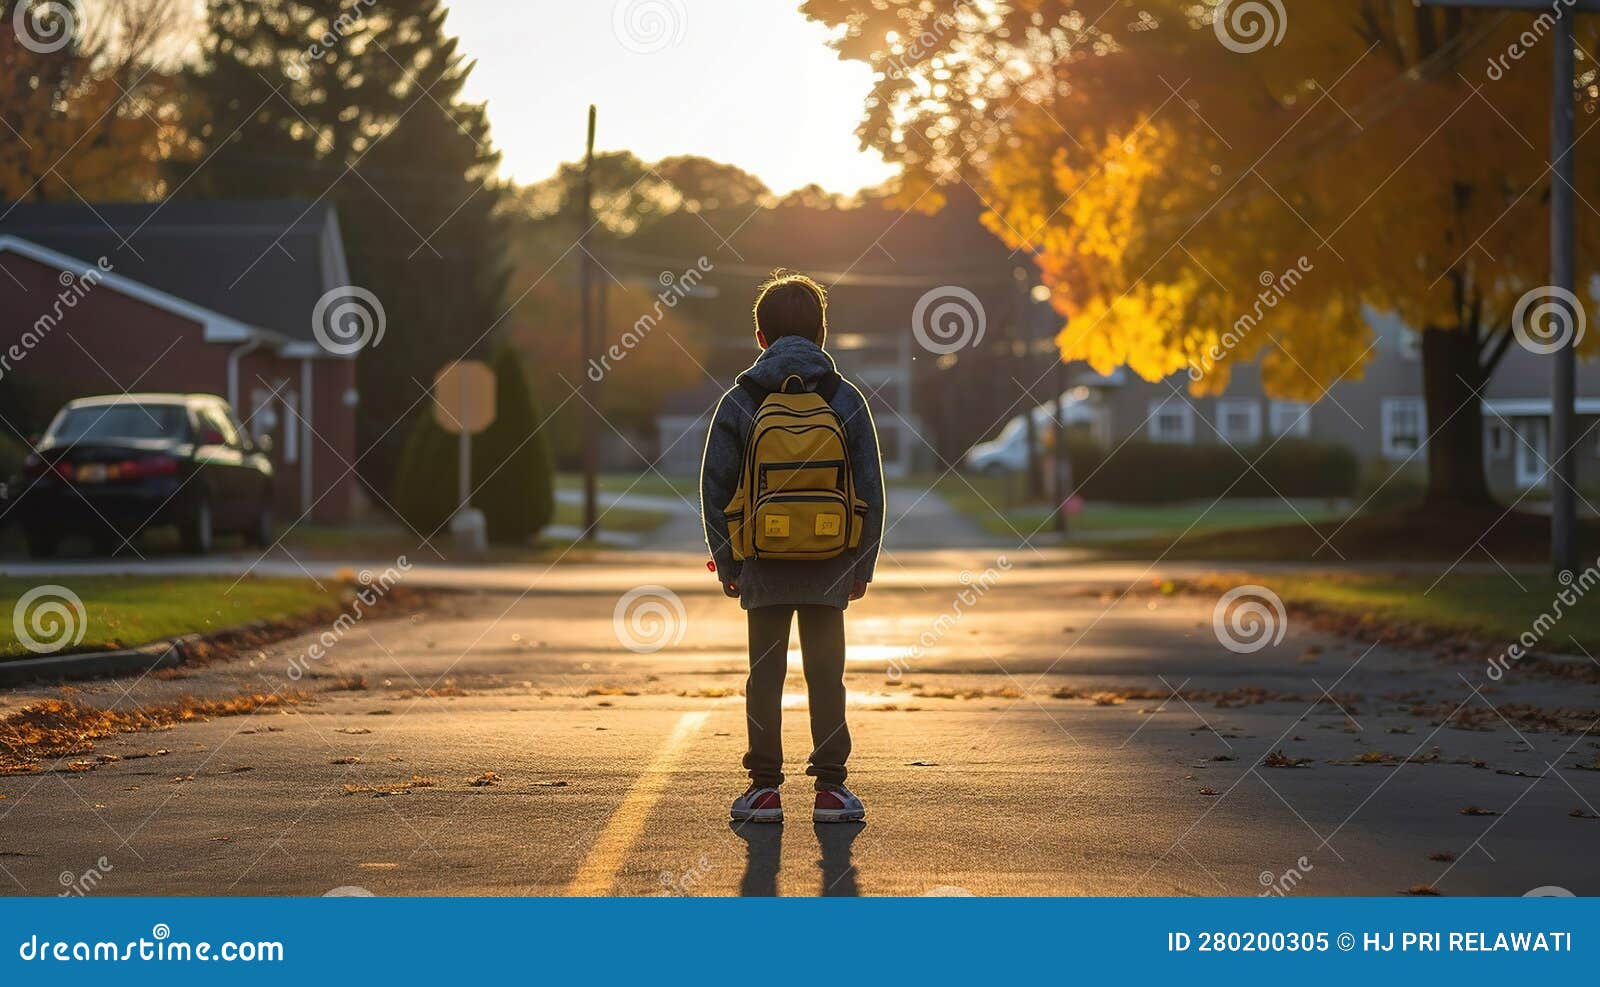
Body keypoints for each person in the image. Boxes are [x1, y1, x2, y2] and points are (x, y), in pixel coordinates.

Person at [700, 271, 885, 824]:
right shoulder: (844, 397)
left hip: (763, 560)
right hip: (831, 559)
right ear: (822, 334)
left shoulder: (741, 400)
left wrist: (728, 562)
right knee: (827, 674)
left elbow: (715, 487)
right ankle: (831, 790)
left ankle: (763, 791)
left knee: (765, 676)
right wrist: (862, 564)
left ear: (760, 336)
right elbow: (870, 488)